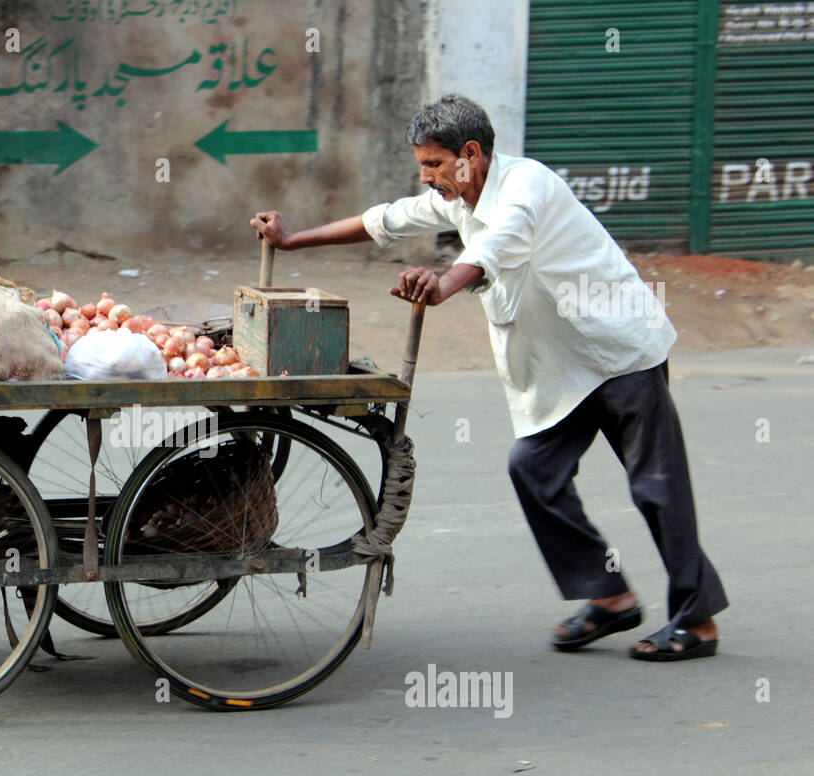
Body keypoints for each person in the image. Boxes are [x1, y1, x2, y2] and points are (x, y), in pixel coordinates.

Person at [249, 93, 727, 661]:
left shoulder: (527, 187)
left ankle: (697, 620)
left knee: (656, 487)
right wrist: (291, 240)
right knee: (533, 471)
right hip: (565, 372)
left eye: (433, 164)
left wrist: (443, 285)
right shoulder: (457, 199)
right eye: (421, 165)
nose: (425, 177)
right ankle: (609, 596)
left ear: (469, 154)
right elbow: (385, 219)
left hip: (620, 353)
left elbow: (498, 247)